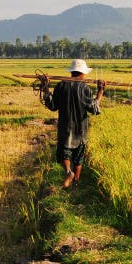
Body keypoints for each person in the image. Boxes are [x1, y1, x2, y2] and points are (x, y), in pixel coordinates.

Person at [43, 59, 104, 189]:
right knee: (79, 158)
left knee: (64, 153)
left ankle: (68, 173)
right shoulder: (85, 88)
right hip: (81, 130)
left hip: (65, 127)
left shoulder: (61, 86)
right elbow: (94, 109)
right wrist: (100, 92)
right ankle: (75, 184)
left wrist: (45, 87)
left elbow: (52, 105)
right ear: (83, 73)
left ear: (72, 72)